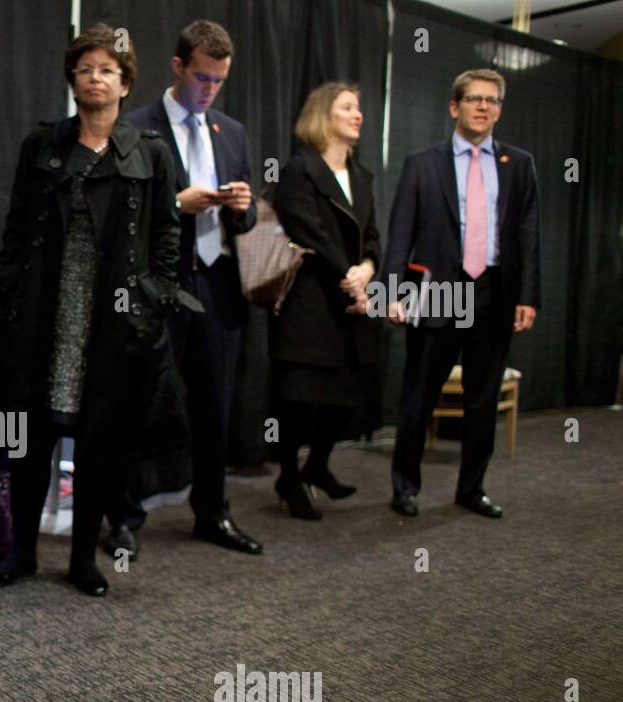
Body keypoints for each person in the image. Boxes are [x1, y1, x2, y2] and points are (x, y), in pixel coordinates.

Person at [0, 23, 190, 598]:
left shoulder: (150, 152)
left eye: (107, 70)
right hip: (46, 309)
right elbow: (17, 225)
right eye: (85, 69)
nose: (95, 78)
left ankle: (81, 560)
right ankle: (20, 552)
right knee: (31, 433)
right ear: (72, 78)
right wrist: (12, 287)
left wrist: (154, 300)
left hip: (114, 317)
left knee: (101, 437)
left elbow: (168, 234)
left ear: (125, 84)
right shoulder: (42, 145)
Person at [117, 19, 263, 557]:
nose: (209, 90)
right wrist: (178, 204)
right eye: (202, 78)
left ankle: (213, 513)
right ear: (178, 67)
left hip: (219, 284)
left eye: (219, 81)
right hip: (160, 286)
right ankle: (123, 515)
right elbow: (124, 217)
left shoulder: (233, 131)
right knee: (141, 400)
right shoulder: (136, 125)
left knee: (216, 406)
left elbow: (245, 229)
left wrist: (243, 209)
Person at [383, 68, 541, 518]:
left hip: (493, 292)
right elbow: (400, 234)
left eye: (491, 100)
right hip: (437, 292)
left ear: (499, 110)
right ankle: (405, 487)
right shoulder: (422, 163)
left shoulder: (520, 164)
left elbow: (529, 236)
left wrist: (528, 296)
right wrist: (392, 294)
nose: (483, 106)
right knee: (419, 395)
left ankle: (472, 488)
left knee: (482, 399)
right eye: (474, 99)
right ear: (455, 107)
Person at [270, 83, 381, 520]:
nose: (358, 115)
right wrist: (350, 278)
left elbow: (372, 236)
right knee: (299, 398)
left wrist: (368, 270)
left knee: (347, 395)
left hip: (353, 299)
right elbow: (308, 229)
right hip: (310, 301)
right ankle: (288, 478)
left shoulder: (364, 176)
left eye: (359, 108)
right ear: (323, 115)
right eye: (347, 107)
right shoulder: (299, 169)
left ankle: (317, 466)